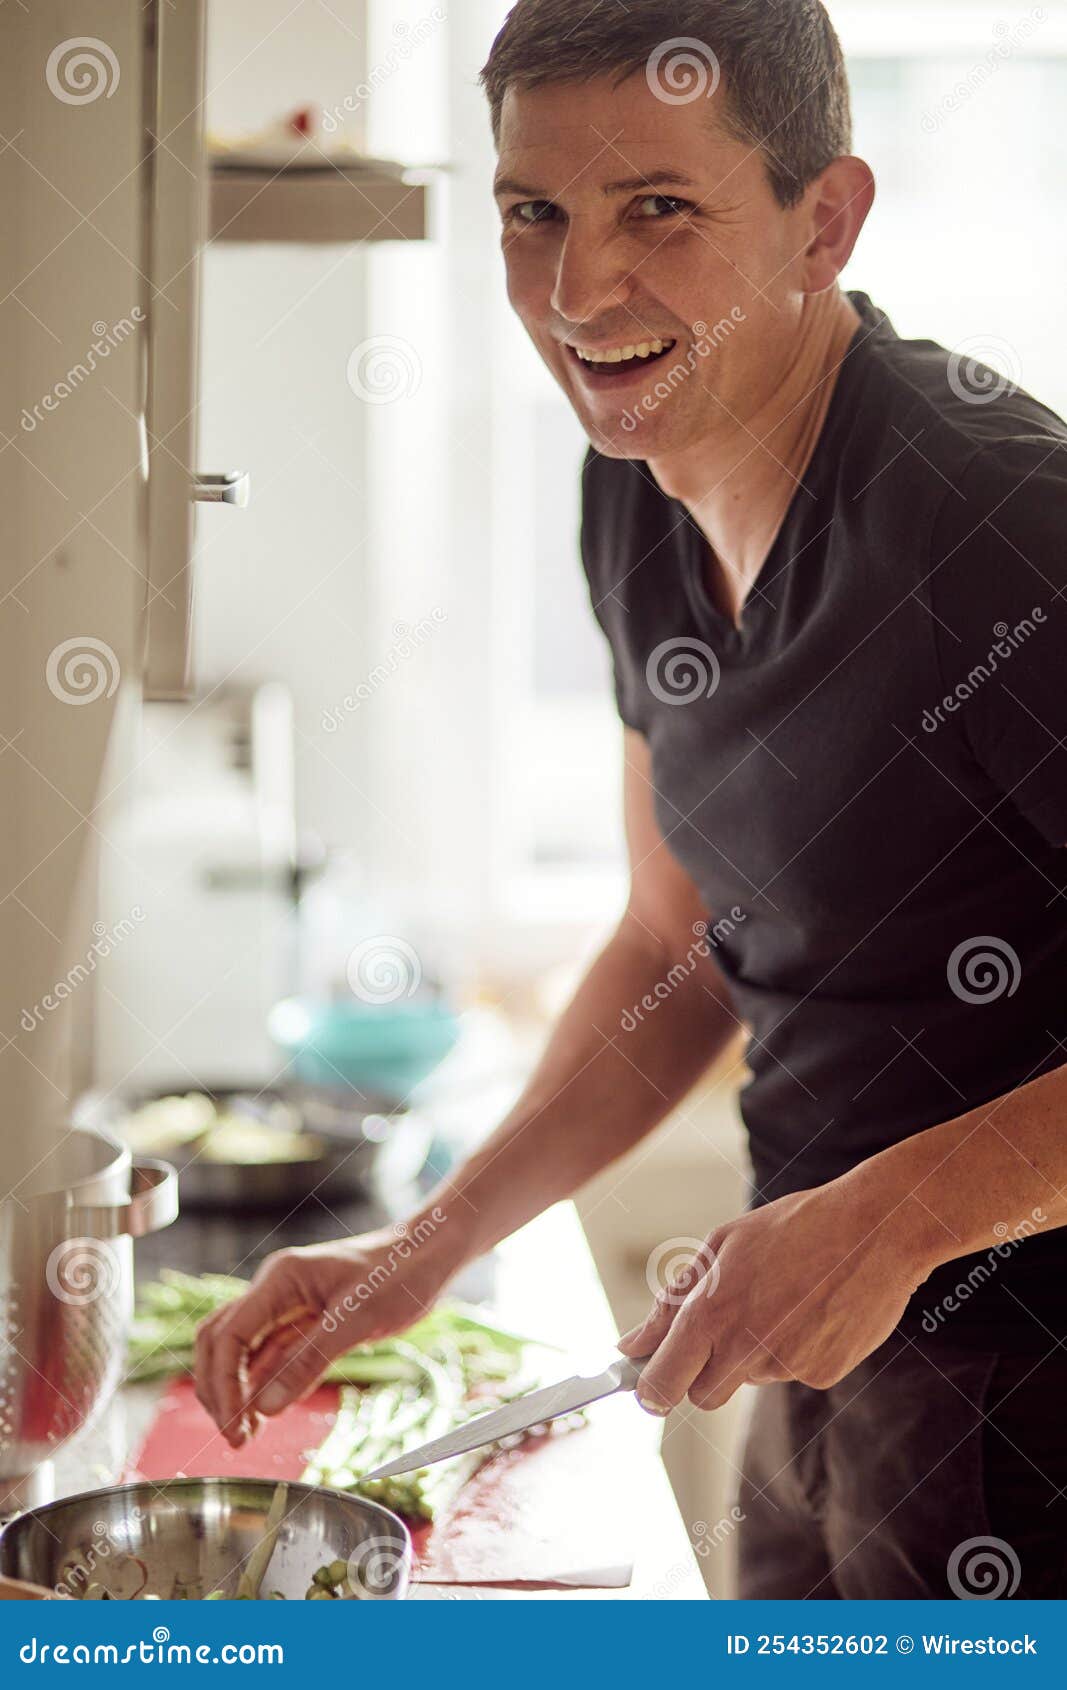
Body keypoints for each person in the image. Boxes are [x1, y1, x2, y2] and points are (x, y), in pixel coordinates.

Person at [196, 0, 1067, 1598]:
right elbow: (680, 943)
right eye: (537, 214)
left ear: (827, 220)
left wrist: (887, 1224)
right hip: (810, 1355)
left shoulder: (1001, 530)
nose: (580, 291)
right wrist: (419, 1249)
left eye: (658, 209)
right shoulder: (634, 491)